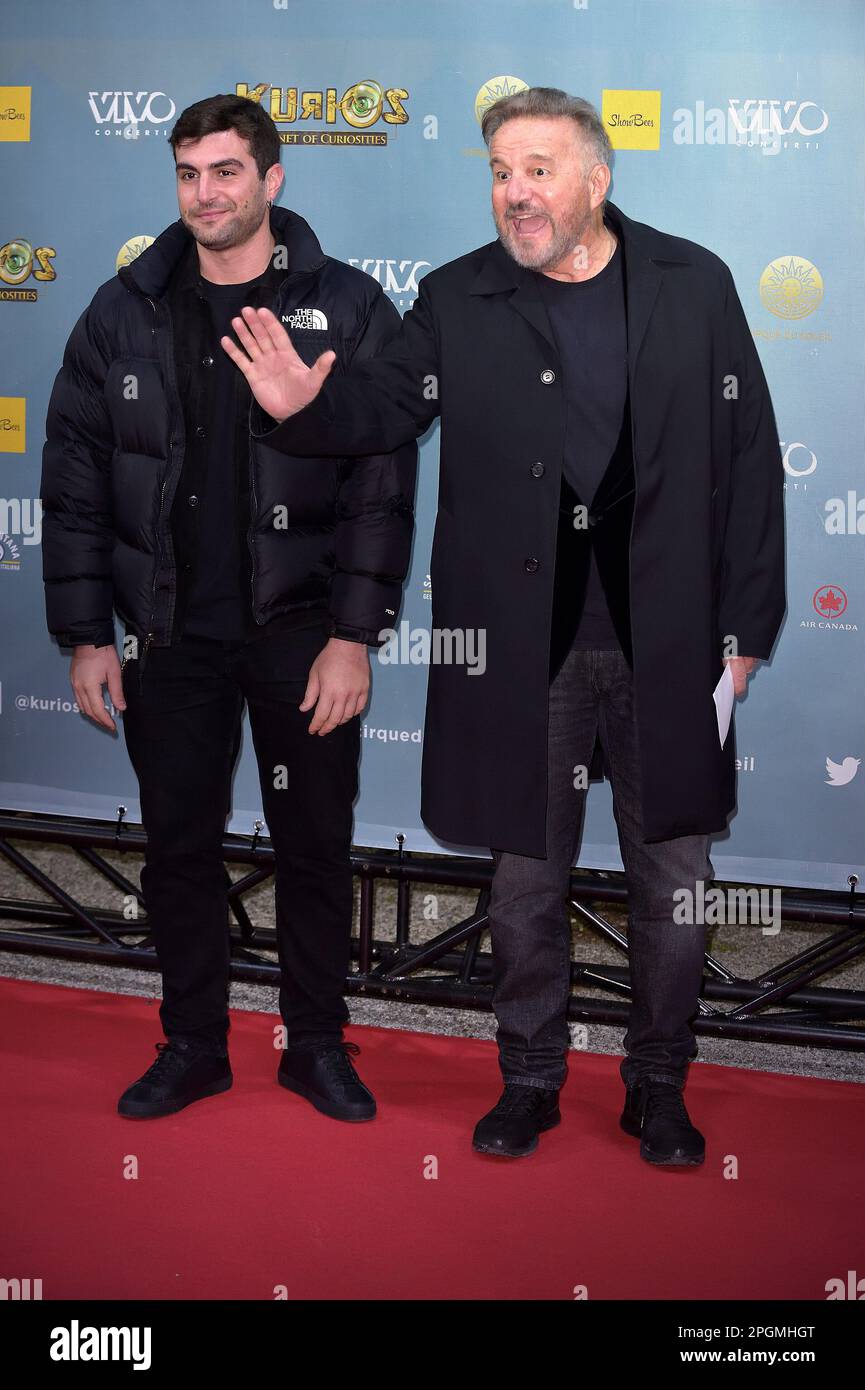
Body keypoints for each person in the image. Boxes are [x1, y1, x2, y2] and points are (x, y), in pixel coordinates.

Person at [221, 88, 786, 1166]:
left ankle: (657, 1083)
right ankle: (527, 1078)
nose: (512, 191)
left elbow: (749, 459)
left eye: (535, 168)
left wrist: (745, 624)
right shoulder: (456, 296)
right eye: (496, 169)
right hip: (521, 647)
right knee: (525, 878)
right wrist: (303, 404)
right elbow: (380, 409)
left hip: (668, 638)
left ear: (594, 179)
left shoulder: (693, 282)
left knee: (676, 878)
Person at [40, 94, 417, 1122]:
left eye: (226, 172)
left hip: (301, 637)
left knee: (311, 847)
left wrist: (353, 635)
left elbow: (381, 482)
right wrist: (84, 635)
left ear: (271, 179)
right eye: (188, 174)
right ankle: (194, 1042)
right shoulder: (124, 308)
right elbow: (74, 479)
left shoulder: (342, 307)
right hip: (169, 636)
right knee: (178, 850)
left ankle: (317, 1045)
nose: (206, 193)